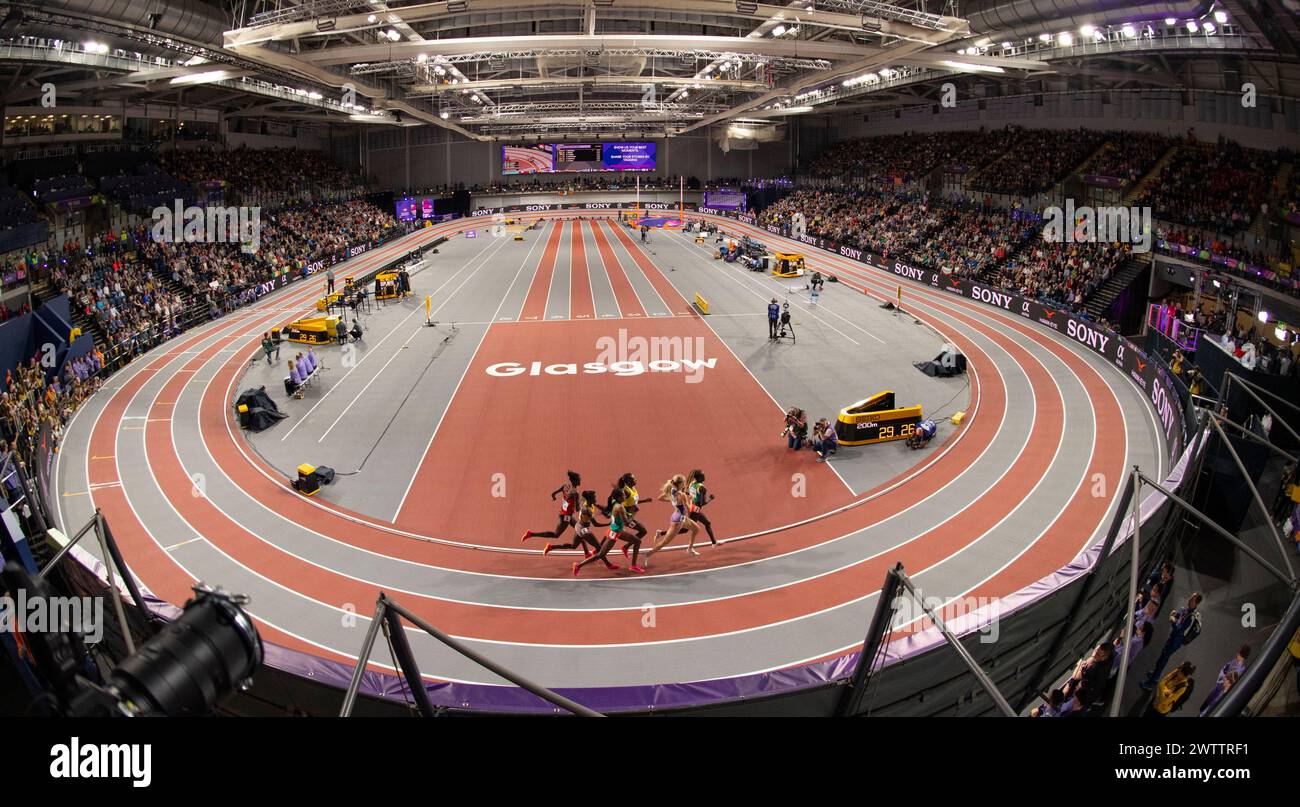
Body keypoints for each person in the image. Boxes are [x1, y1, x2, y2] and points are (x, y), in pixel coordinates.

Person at [1140, 592, 1203, 690]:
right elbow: (1181, 617)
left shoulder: (1191, 618)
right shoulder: (1188, 609)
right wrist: (1176, 615)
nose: (1189, 600)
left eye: (1192, 600)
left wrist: (1173, 620)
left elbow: (1179, 630)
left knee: (1163, 659)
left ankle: (1150, 683)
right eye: (1190, 598)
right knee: (1163, 657)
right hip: (1173, 639)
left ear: (1196, 603)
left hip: (1175, 642)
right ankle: (1155, 674)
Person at [645, 474, 700, 565]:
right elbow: (689, 510)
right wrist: (690, 499)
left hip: (679, 517)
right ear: (679, 484)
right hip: (678, 520)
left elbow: (660, 498)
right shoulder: (681, 495)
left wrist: (673, 501)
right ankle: (647, 554)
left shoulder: (672, 490)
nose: (685, 484)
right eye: (684, 483)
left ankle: (690, 549)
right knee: (665, 542)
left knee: (696, 529)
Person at [522, 470, 581, 544]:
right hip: (566, 516)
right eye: (579, 479)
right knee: (556, 535)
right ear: (574, 481)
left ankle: (587, 552)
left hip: (563, 513)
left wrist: (554, 498)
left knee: (580, 529)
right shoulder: (575, 493)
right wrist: (582, 505)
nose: (580, 480)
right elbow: (577, 509)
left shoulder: (565, 486)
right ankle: (531, 534)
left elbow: (553, 494)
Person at [1198, 645, 1250, 714]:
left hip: (1224, 687)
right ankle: (1202, 711)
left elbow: (1232, 680)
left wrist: (1224, 679)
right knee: (1209, 698)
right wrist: (1221, 679)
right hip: (1220, 683)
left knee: (1213, 702)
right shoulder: (1234, 661)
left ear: (1242, 657)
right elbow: (1225, 668)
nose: (1237, 654)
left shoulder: (1240, 670)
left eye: (1239, 654)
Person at [686, 469, 718, 547]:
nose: (704, 476)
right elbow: (702, 503)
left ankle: (714, 543)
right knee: (686, 529)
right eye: (702, 475)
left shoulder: (692, 483)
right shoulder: (702, 488)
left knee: (707, 523)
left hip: (692, 507)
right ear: (699, 478)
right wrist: (710, 499)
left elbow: (687, 492)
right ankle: (662, 533)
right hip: (695, 510)